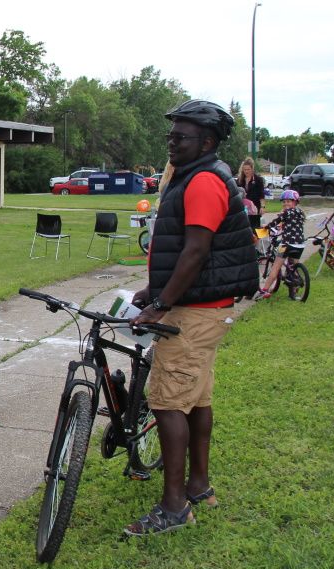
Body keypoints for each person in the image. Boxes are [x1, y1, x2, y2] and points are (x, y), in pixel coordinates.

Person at [127, 100, 258, 537]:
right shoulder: (202, 175)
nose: (171, 142)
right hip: (206, 307)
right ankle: (198, 485)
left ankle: (174, 506)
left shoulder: (202, 181)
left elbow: (198, 251)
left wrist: (162, 302)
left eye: (180, 136)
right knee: (197, 398)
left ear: (206, 141)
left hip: (193, 314)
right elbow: (194, 252)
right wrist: (155, 289)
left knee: (166, 401)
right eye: (170, 135)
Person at [254, 189, 306, 301]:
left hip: (286, 244)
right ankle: (294, 287)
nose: (286, 203)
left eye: (289, 201)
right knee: (293, 267)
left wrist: (265, 228)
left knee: (275, 268)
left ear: (295, 202)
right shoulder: (301, 212)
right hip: (300, 244)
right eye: (284, 201)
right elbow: (292, 225)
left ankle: (264, 291)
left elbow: (275, 222)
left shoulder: (286, 213)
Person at [236, 157, 266, 231]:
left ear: (252, 169)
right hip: (242, 209)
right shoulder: (239, 181)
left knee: (255, 230)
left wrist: (262, 207)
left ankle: (256, 242)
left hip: (255, 209)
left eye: (248, 169)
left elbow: (261, 195)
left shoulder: (258, 180)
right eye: (245, 169)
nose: (246, 171)